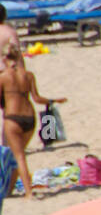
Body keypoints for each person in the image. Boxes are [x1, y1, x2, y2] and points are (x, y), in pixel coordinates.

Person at [0, 42, 64, 199]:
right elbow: (37, 98)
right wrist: (53, 100)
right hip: (30, 118)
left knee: (19, 156)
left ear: (4, 58)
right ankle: (9, 190)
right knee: (18, 155)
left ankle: (29, 192)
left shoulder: (3, 77)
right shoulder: (29, 75)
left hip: (13, 118)